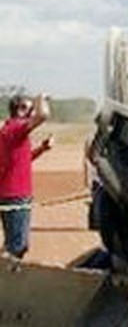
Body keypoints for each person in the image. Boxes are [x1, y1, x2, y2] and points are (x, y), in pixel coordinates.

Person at [1, 94, 53, 259]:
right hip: (16, 196)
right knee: (18, 246)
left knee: (13, 242)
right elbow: (43, 115)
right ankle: (9, 280)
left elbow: (21, 159)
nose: (32, 113)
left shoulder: (9, 130)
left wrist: (42, 149)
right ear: (20, 110)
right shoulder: (16, 129)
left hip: (11, 194)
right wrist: (40, 99)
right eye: (29, 108)